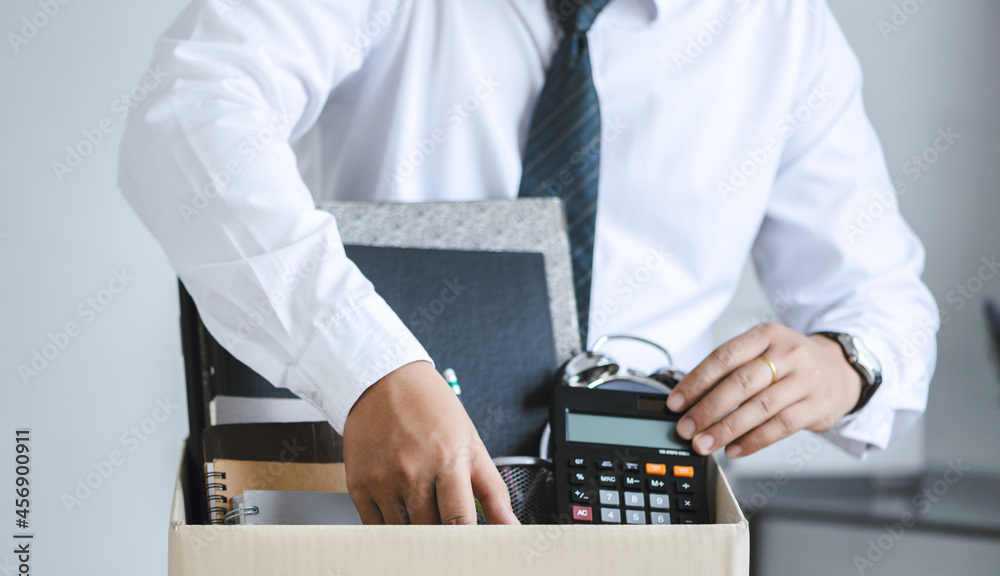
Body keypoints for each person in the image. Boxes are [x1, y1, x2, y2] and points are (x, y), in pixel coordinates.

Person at [118, 0, 938, 526]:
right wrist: (366, 367)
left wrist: (847, 365)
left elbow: (887, 303)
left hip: (643, 537)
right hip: (371, 525)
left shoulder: (785, 32)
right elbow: (190, 113)